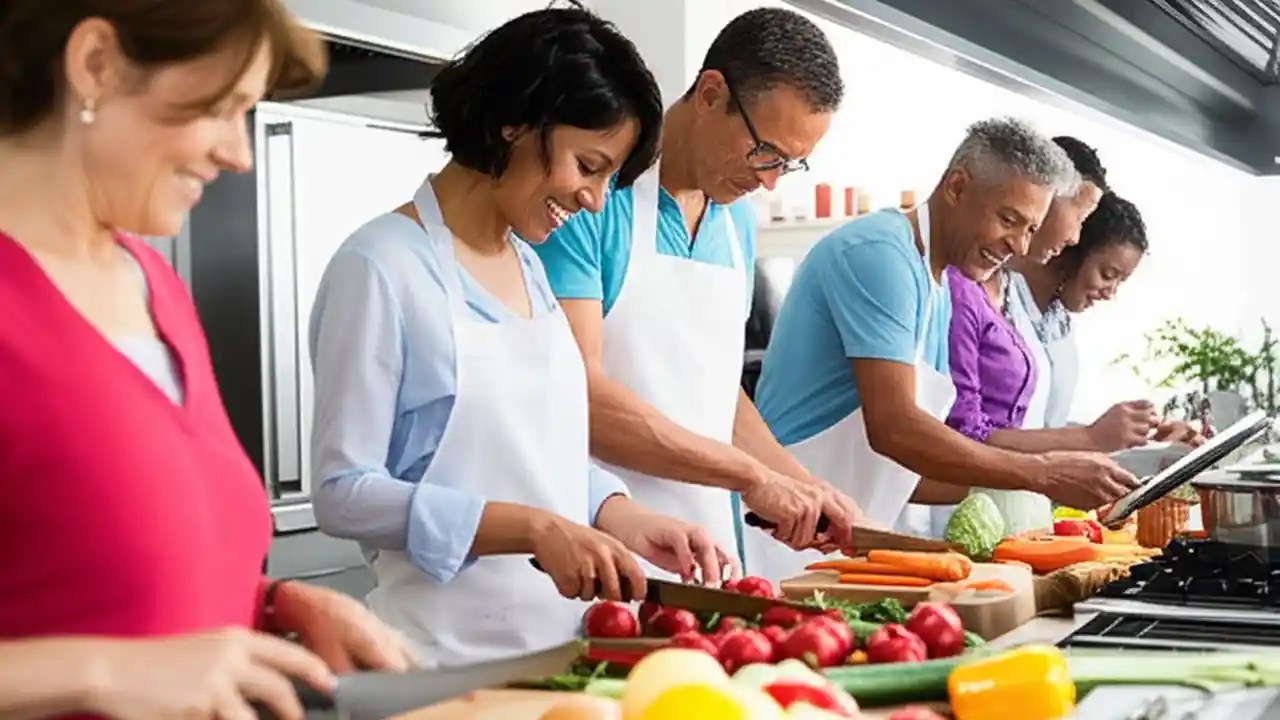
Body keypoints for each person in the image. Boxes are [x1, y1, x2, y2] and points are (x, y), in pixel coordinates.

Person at [0, 2, 413, 719]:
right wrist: (95, 671)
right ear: (96, 64)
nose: (239, 153)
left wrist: (271, 604)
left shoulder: (152, 285)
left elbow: (91, 568)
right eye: (222, 107)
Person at [308, 7, 734, 669]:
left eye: (609, 179)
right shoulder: (382, 267)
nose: (595, 199)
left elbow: (538, 449)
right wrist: (531, 528)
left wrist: (618, 513)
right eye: (588, 166)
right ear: (515, 121)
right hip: (441, 667)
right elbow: (343, 493)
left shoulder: (529, 267)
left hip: (556, 660)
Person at [533, 7, 861, 578]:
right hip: (602, 554)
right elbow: (575, 393)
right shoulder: (591, 199)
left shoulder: (734, 223)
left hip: (711, 557)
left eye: (791, 163)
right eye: (765, 153)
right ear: (711, 94)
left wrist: (801, 483)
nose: (770, 181)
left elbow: (715, 394)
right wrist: (752, 478)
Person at [749, 117, 1139, 579]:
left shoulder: (939, 287)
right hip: (776, 537)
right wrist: (1043, 472)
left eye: (1030, 229)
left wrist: (1049, 489)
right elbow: (894, 429)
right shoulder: (882, 254)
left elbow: (909, 472)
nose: (1017, 245)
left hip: (837, 534)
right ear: (956, 187)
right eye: (1008, 219)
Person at [1010, 190, 1198, 443]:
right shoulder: (1004, 305)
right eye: (1108, 275)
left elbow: (1047, 426)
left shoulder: (1059, 325)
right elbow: (989, 434)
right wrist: (1094, 437)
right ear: (1073, 249)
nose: (1110, 293)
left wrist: (1143, 440)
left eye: (1120, 281)